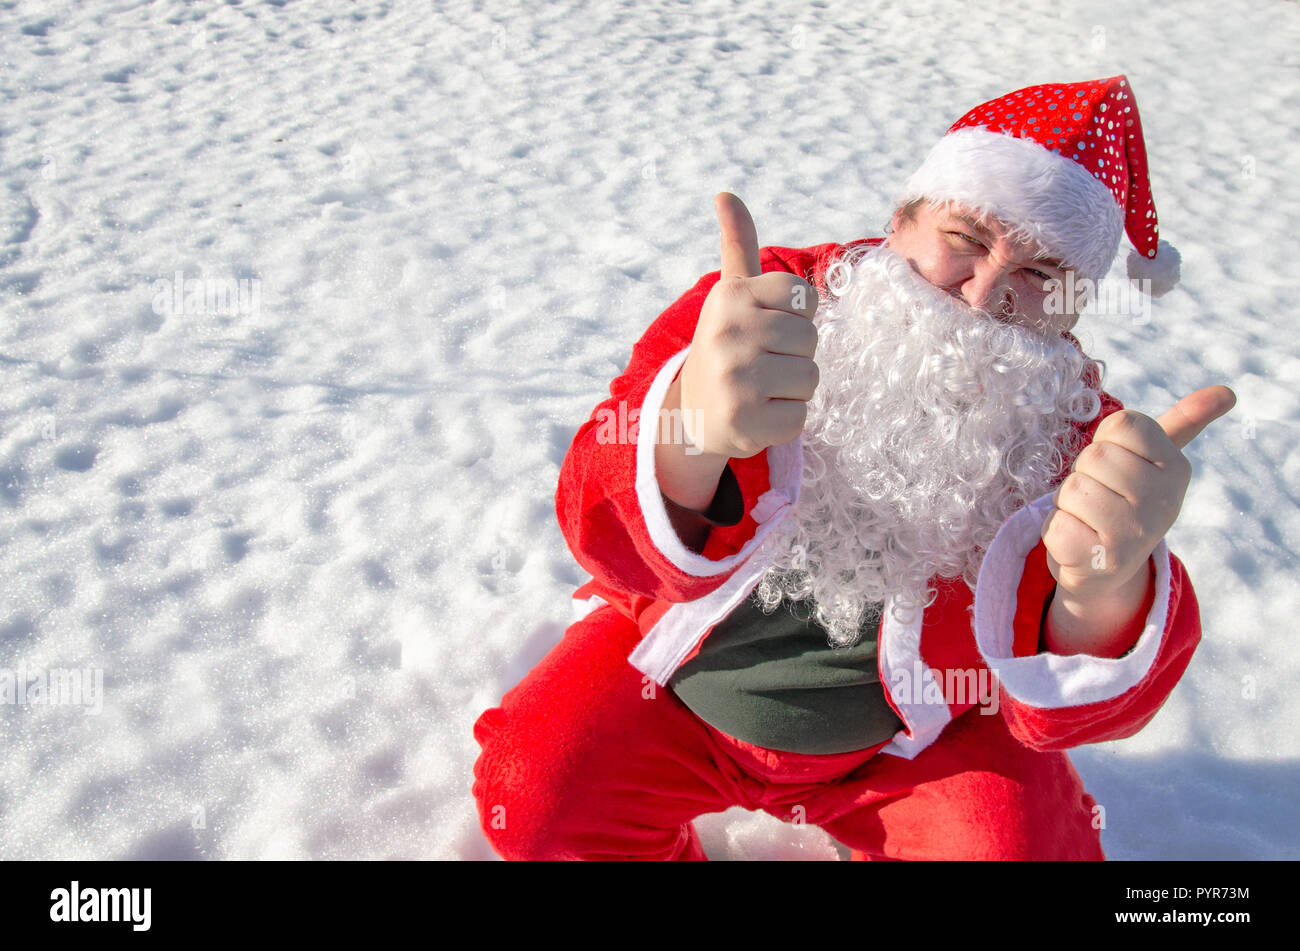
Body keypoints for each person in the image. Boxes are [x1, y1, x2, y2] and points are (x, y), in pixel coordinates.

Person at [471, 75, 1236, 860]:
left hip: (911, 746)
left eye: (1039, 276)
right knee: (536, 792)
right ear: (900, 221)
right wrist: (686, 435)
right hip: (668, 691)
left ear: (1075, 305)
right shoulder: (762, 307)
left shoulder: (1082, 438)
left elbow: (1061, 711)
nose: (984, 294)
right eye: (967, 240)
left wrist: (1103, 590)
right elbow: (600, 530)